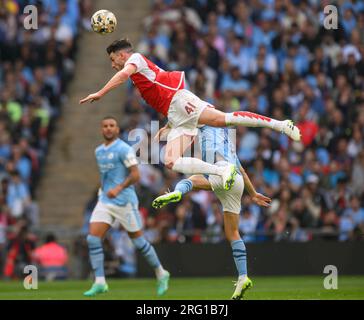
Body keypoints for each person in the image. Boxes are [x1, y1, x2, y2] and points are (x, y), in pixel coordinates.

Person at [79, 38, 301, 192]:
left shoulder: (134, 59)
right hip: (175, 113)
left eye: (112, 60)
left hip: (180, 102)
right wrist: (169, 123)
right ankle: (223, 172)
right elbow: (158, 92)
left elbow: (123, 76)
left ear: (121, 54)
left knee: (225, 119)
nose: (112, 65)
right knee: (170, 161)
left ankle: (280, 124)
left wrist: (100, 92)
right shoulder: (137, 68)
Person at [152, 125, 271, 300]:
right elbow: (243, 171)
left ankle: (178, 192)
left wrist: (166, 129)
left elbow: (184, 118)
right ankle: (243, 277)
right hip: (236, 180)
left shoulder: (203, 123)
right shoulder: (228, 143)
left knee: (191, 180)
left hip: (220, 173)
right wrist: (253, 194)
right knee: (233, 233)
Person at [83, 116, 170, 297]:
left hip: (125, 201)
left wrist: (119, 188)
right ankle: (100, 282)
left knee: (139, 242)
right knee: (92, 238)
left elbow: (136, 175)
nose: (108, 128)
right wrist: (105, 190)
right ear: (102, 129)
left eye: (112, 126)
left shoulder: (124, 149)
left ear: (117, 129)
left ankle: (161, 273)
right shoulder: (99, 151)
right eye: (105, 126)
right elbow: (106, 176)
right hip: (106, 201)